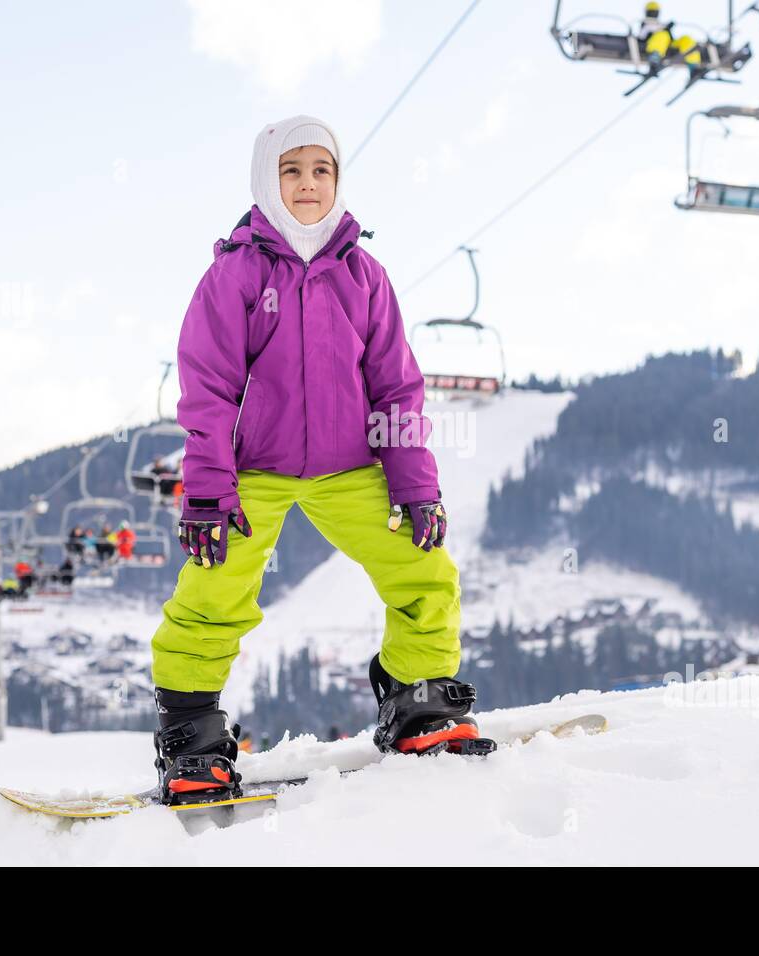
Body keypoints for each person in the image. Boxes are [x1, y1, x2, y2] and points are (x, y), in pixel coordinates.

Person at [149, 115, 491, 807]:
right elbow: (208, 391)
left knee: (422, 569)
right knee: (214, 591)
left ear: (339, 180)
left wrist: (414, 486)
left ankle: (419, 701)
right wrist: (210, 494)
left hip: (351, 466)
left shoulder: (363, 276)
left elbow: (396, 385)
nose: (308, 183)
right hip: (256, 468)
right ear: (265, 179)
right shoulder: (235, 274)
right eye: (292, 170)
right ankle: (191, 737)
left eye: (322, 169)